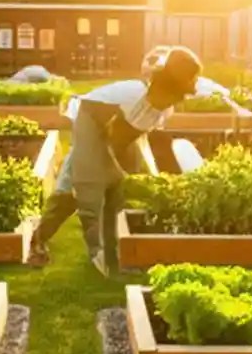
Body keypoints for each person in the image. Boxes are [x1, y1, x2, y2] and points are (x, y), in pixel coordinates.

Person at [28, 46, 203, 275]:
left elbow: (138, 140)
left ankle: (107, 256)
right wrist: (110, 165)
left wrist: (155, 179)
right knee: (90, 187)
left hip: (111, 133)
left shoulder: (161, 108)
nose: (182, 96)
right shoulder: (131, 97)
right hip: (90, 119)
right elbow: (112, 137)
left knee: (110, 191)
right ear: (168, 85)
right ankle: (96, 256)